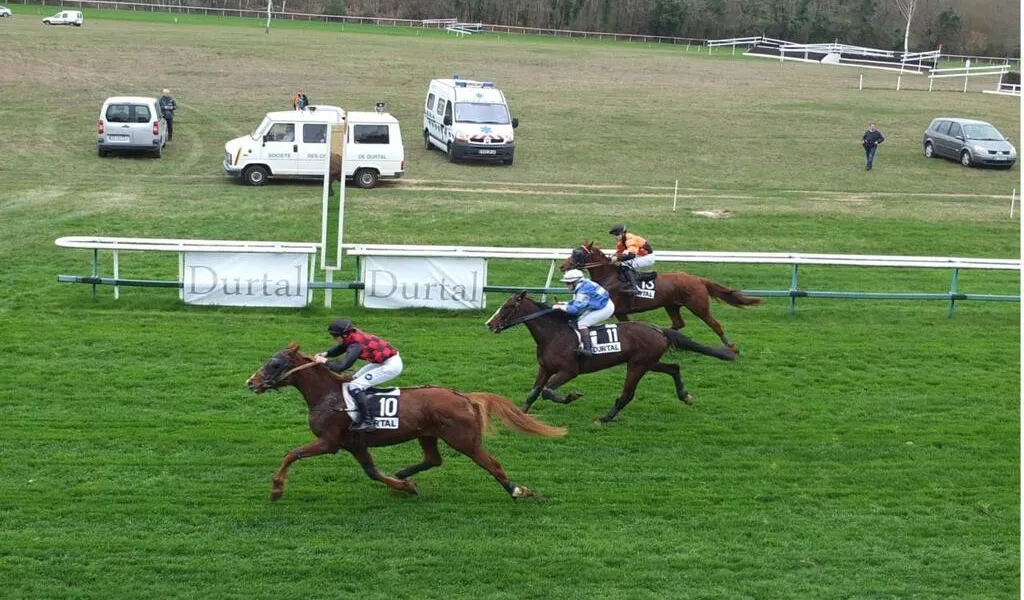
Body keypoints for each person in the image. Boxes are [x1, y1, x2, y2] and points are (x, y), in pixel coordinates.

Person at [313, 318, 403, 432]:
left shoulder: (356, 345)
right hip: (383, 362)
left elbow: (342, 366)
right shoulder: (352, 335)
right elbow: (343, 347)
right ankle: (364, 405)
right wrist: (327, 353)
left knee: (355, 386)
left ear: (345, 335)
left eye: (335, 336)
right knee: (353, 380)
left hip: (391, 365)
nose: (333, 339)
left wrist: (324, 361)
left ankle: (368, 421)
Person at [554, 269, 615, 356]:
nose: (567, 286)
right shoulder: (584, 284)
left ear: (576, 282)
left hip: (605, 308)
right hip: (600, 303)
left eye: (568, 283)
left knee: (582, 323)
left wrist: (560, 307)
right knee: (578, 320)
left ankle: (588, 349)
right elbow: (580, 301)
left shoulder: (583, 289)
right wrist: (566, 303)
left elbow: (575, 310)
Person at [609, 224, 655, 296]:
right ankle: (630, 278)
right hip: (639, 255)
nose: (615, 237)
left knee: (625, 264)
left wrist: (617, 258)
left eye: (617, 234)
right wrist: (610, 258)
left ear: (623, 233)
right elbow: (619, 252)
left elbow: (631, 255)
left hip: (647, 257)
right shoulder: (621, 241)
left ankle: (634, 288)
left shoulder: (630, 239)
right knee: (622, 262)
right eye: (614, 235)